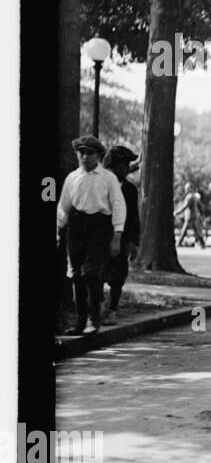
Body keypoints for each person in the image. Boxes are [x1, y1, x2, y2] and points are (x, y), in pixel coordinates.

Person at [57, 135, 125, 335]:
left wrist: (117, 235)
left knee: (91, 272)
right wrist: (59, 229)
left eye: (90, 153)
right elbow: (64, 205)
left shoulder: (108, 178)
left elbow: (118, 206)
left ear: (99, 156)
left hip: (99, 226)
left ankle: (93, 319)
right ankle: (80, 321)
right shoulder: (72, 178)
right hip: (76, 227)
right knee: (76, 273)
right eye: (82, 153)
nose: (85, 157)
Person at [101, 145, 140, 325]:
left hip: (122, 240)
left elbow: (134, 217)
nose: (126, 168)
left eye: (127, 164)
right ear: (113, 166)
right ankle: (97, 306)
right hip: (101, 239)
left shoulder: (131, 190)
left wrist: (133, 242)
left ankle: (112, 310)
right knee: (97, 273)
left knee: (119, 275)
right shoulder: (101, 186)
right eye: (123, 164)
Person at [174, 182, 206, 249]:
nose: (186, 189)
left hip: (190, 216)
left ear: (191, 188)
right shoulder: (194, 196)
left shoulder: (189, 197)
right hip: (194, 216)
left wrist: (176, 212)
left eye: (187, 188)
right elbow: (200, 206)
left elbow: (184, 206)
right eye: (186, 188)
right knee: (196, 231)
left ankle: (178, 243)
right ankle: (202, 244)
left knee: (185, 230)